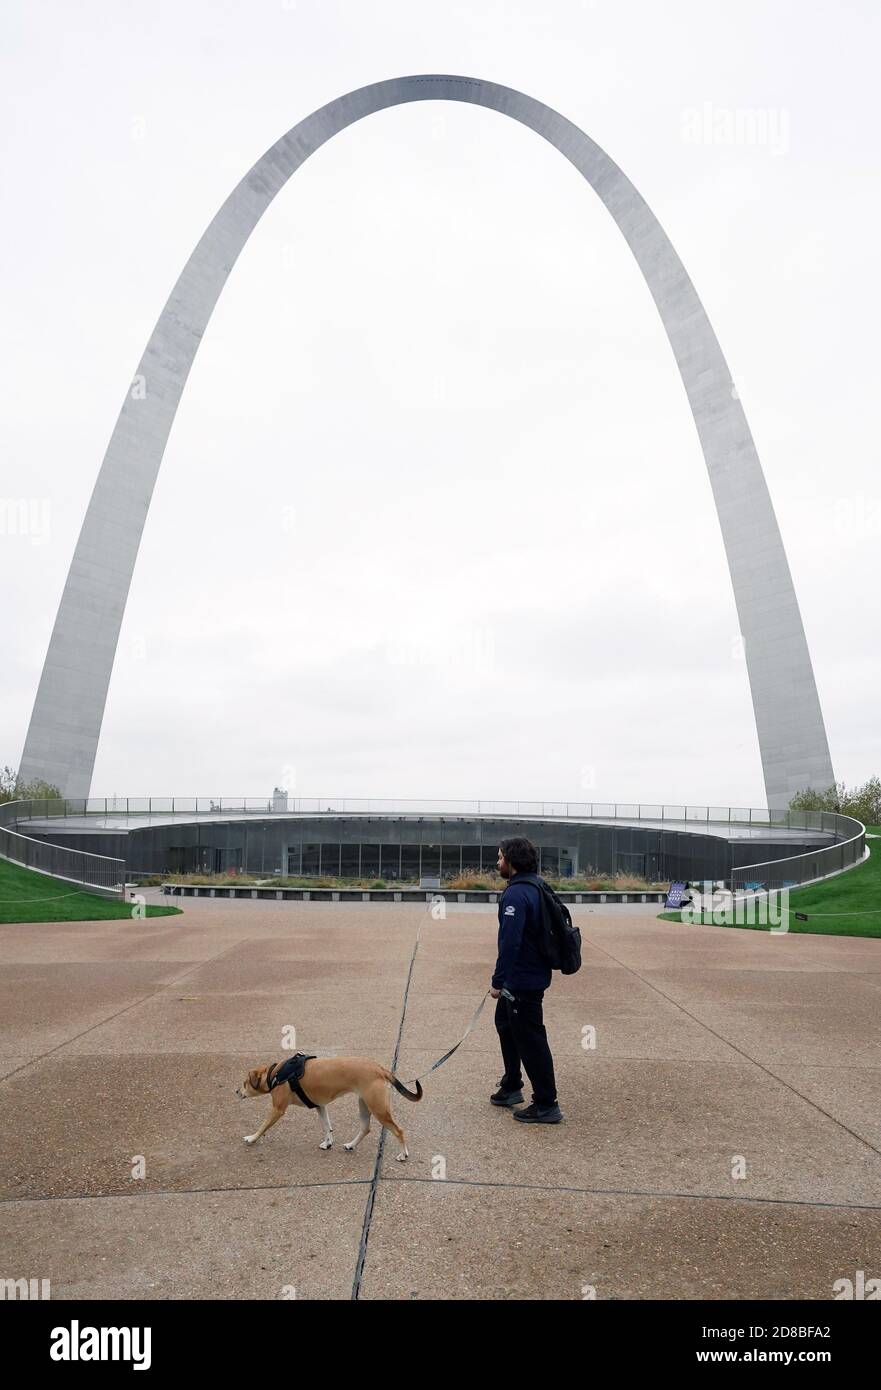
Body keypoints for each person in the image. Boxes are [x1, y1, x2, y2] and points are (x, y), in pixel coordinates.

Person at [490, 837, 562, 1123]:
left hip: (522, 982)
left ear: (512, 861)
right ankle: (511, 1085)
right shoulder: (537, 885)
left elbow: (510, 942)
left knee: (531, 1040)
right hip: (529, 977)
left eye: (500, 858)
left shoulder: (517, 894)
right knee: (506, 1025)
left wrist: (499, 981)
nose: (497, 863)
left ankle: (547, 1103)